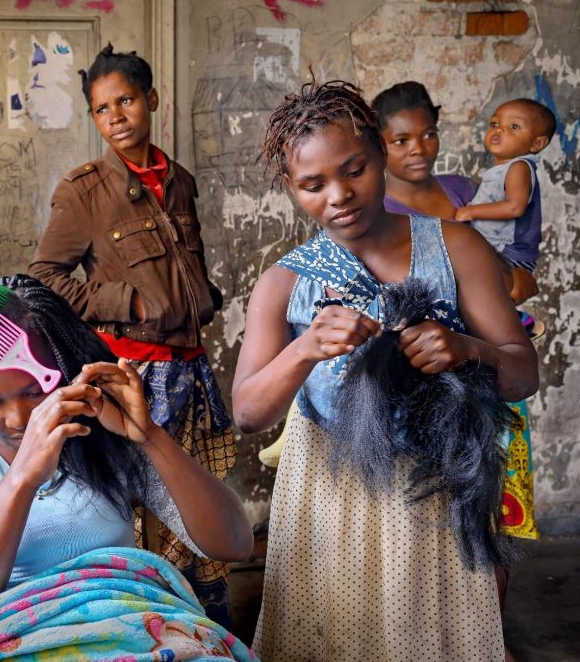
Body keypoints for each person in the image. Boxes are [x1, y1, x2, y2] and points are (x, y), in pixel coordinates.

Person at [231, 78, 538, 661]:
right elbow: (248, 413)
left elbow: (524, 373)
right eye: (313, 185)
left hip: (439, 491)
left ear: (381, 157)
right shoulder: (285, 283)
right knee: (335, 640)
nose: (339, 195)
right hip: (329, 495)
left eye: (354, 170)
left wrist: (468, 349)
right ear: (292, 190)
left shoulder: (457, 248)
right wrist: (303, 350)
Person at [0, 274, 256, 660]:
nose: (18, 418)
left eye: (34, 391)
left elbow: (234, 544)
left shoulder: (103, 427)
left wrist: (151, 438)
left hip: (128, 632)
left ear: (64, 367)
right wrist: (23, 478)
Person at [28, 44, 236, 625]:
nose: (115, 115)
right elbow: (43, 277)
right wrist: (129, 301)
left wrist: (204, 297)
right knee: (146, 512)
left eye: (125, 100)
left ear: (152, 101)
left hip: (192, 372)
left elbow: (184, 265)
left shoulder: (181, 181)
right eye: (101, 108)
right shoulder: (85, 189)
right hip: (134, 377)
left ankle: (205, 626)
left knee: (200, 497)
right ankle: (147, 626)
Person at [454, 98, 556, 305]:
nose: (499, 130)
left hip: (510, 253)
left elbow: (515, 207)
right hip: (499, 249)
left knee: (486, 296)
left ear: (537, 144)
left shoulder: (519, 167)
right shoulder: (505, 168)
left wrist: (471, 212)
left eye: (514, 126)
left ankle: (514, 324)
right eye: (494, 124)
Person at [372, 81, 476, 220]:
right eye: (401, 141)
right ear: (379, 146)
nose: (419, 150)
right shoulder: (377, 217)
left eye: (428, 135)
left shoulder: (464, 189)